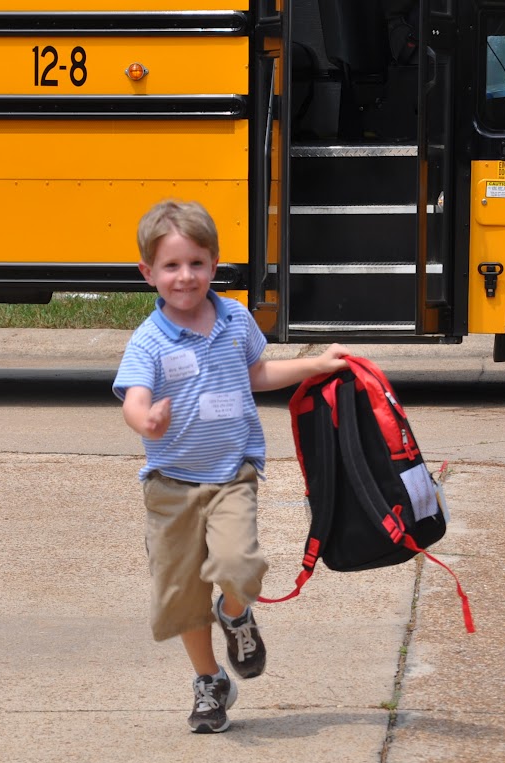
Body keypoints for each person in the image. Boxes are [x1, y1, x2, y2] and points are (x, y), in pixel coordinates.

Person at [113, 200, 352, 733]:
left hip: (230, 476)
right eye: (171, 266)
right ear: (147, 273)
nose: (185, 276)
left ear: (215, 264)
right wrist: (145, 420)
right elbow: (135, 394)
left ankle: (237, 612)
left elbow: (257, 372)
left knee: (238, 565)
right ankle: (209, 682)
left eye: (196, 263)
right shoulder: (149, 340)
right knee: (181, 595)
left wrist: (317, 364)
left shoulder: (235, 319)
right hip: (170, 487)